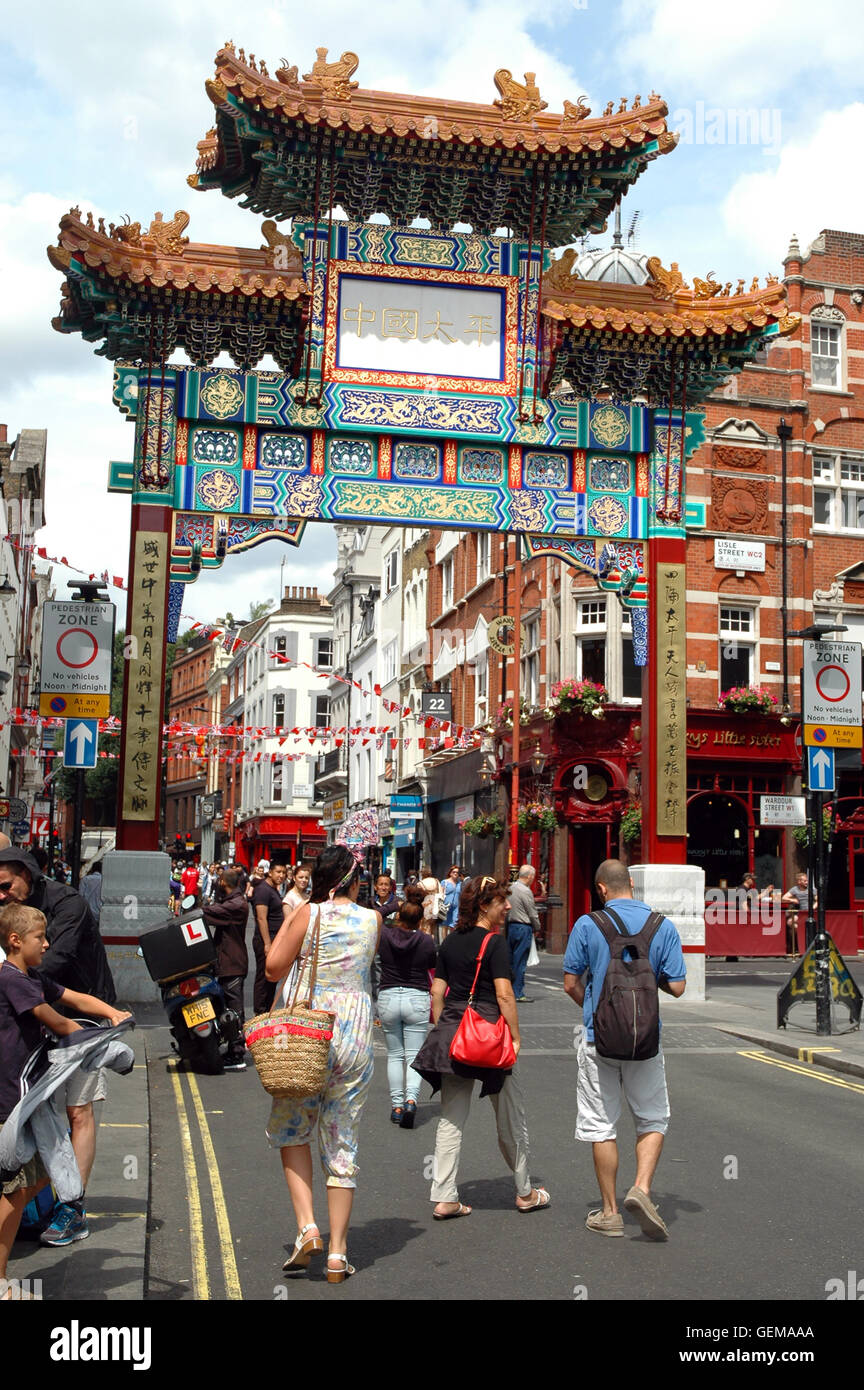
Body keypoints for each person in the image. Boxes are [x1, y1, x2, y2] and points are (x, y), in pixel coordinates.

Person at [0, 904, 130, 1296]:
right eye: (41, 938)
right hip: (11, 1102)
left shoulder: (31, 976)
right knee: (16, 1189)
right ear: (16, 941)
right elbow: (56, 1020)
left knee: (33, 1181)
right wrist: (99, 1045)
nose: (48, 943)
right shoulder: (12, 979)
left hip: (29, 1100)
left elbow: (73, 997)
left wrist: (111, 1012)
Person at [264, 845, 380, 1283]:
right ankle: (337, 1255)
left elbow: (274, 967)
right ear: (352, 880)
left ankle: (308, 1227)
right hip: (355, 1031)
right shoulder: (373, 919)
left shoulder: (309, 914)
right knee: (342, 1139)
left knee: (292, 1126)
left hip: (311, 1030)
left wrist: (290, 923)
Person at [412, 875, 550, 1220]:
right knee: (509, 1117)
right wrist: (515, 1037)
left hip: (454, 1037)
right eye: (502, 900)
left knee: (451, 1119)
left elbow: (437, 993)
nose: (507, 906)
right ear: (485, 905)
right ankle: (525, 1192)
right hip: (488, 1038)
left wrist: (448, 1026)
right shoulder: (495, 943)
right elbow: (505, 994)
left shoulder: (449, 942)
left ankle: (444, 1196)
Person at [562, 858, 686, 1241]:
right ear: (631, 883)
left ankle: (610, 1212)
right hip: (646, 1040)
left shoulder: (588, 924)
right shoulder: (661, 926)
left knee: (601, 1123)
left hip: (599, 1040)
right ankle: (642, 1189)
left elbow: (569, 983)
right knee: (652, 1118)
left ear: (601, 889)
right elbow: (678, 987)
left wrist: (594, 1010)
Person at [376, 886, 436, 1127]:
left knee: (394, 1055)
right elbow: (432, 965)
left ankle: (397, 1105)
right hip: (416, 996)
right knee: (413, 1055)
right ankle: (412, 1101)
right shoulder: (426, 941)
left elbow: (377, 915)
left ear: (399, 916)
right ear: (420, 918)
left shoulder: (385, 935)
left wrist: (394, 905)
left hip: (389, 995)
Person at [202, 866, 249, 1070]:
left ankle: (237, 1052)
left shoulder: (237, 904)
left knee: (234, 1009)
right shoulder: (233, 901)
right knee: (225, 1006)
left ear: (222, 883)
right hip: (226, 962)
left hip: (233, 964)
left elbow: (211, 912)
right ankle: (229, 1046)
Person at [251, 862, 287, 1015]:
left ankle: (267, 1011)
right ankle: (260, 1012)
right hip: (266, 940)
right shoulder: (263, 890)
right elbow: (261, 918)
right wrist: (267, 944)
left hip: (275, 940)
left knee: (271, 978)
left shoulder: (272, 889)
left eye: (284, 872)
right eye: (278, 871)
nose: (281, 875)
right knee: (263, 978)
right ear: (270, 872)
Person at [507, 865, 542, 1003]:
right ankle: (518, 993)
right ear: (529, 876)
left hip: (512, 926)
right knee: (520, 962)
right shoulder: (526, 891)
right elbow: (532, 912)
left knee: (510, 961)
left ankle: (509, 990)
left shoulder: (512, 888)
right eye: (533, 876)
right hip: (523, 927)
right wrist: (537, 926)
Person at [781, 871, 812, 955]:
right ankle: (797, 944)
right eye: (805, 881)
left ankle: (801, 943)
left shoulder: (811, 889)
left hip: (811, 913)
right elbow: (784, 897)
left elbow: (818, 900)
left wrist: (812, 908)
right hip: (801, 914)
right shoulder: (795, 889)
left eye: (807, 880)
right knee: (790, 922)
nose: (807, 882)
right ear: (799, 882)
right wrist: (793, 900)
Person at [419, 874, 444, 942]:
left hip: (425, 909)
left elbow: (418, 898)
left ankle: (425, 945)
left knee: (424, 928)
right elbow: (441, 896)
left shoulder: (421, 883)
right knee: (432, 929)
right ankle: (432, 945)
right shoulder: (436, 881)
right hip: (435, 909)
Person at [442, 865, 463, 934]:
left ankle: (451, 942)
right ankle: (444, 943)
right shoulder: (444, 882)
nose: (455, 873)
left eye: (457, 872)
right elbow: (441, 893)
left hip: (456, 907)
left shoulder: (460, 883)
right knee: (445, 926)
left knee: (454, 925)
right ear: (450, 873)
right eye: (454, 872)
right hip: (445, 906)